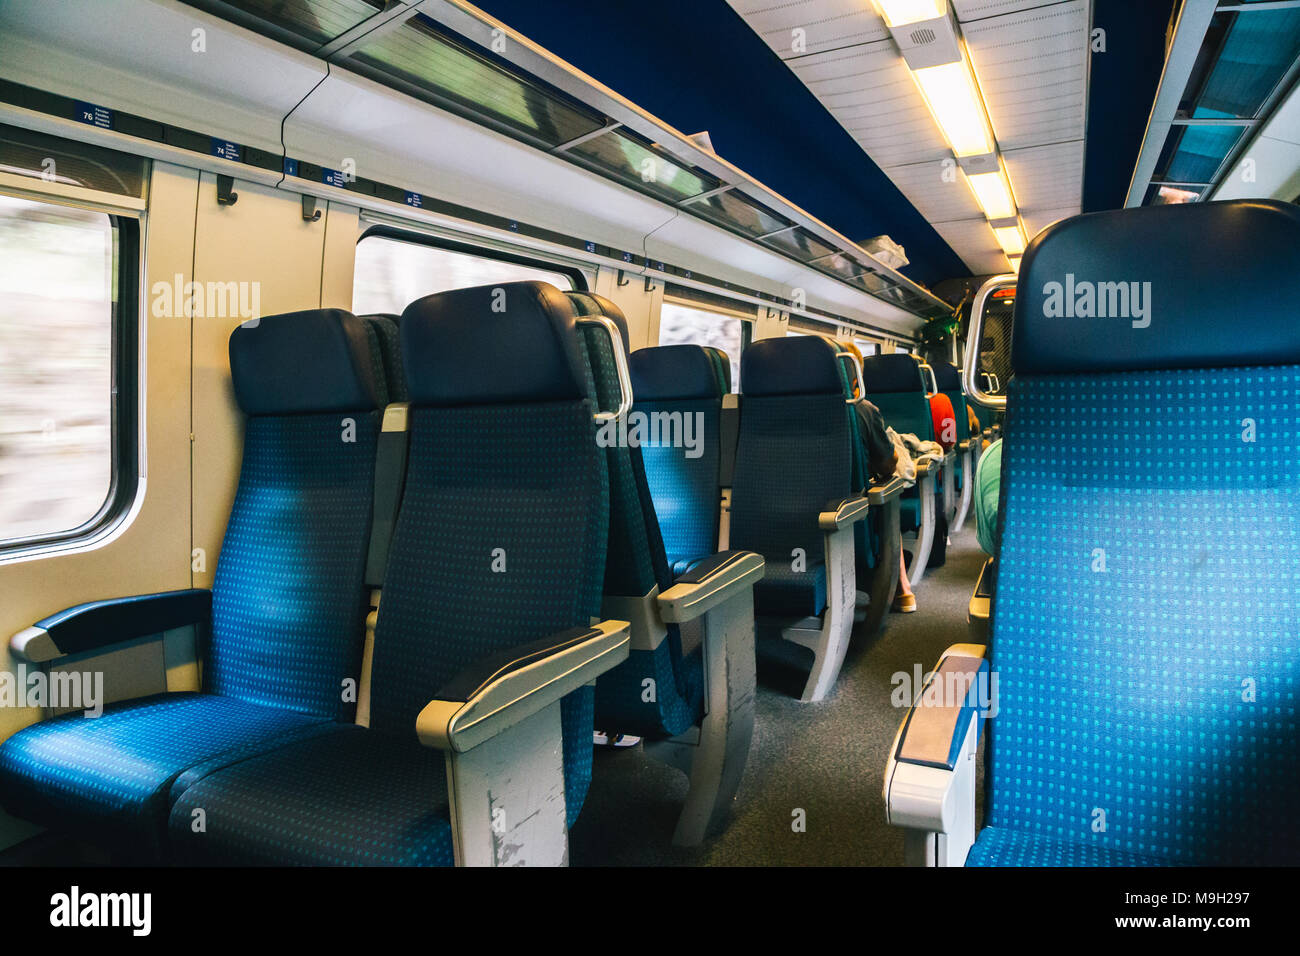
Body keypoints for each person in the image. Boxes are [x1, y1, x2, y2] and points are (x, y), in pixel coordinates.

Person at [837, 341, 917, 613]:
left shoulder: (789, 413)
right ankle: (902, 588)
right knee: (886, 492)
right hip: (851, 515)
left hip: (797, 516)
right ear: (856, 375)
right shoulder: (863, 409)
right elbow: (886, 465)